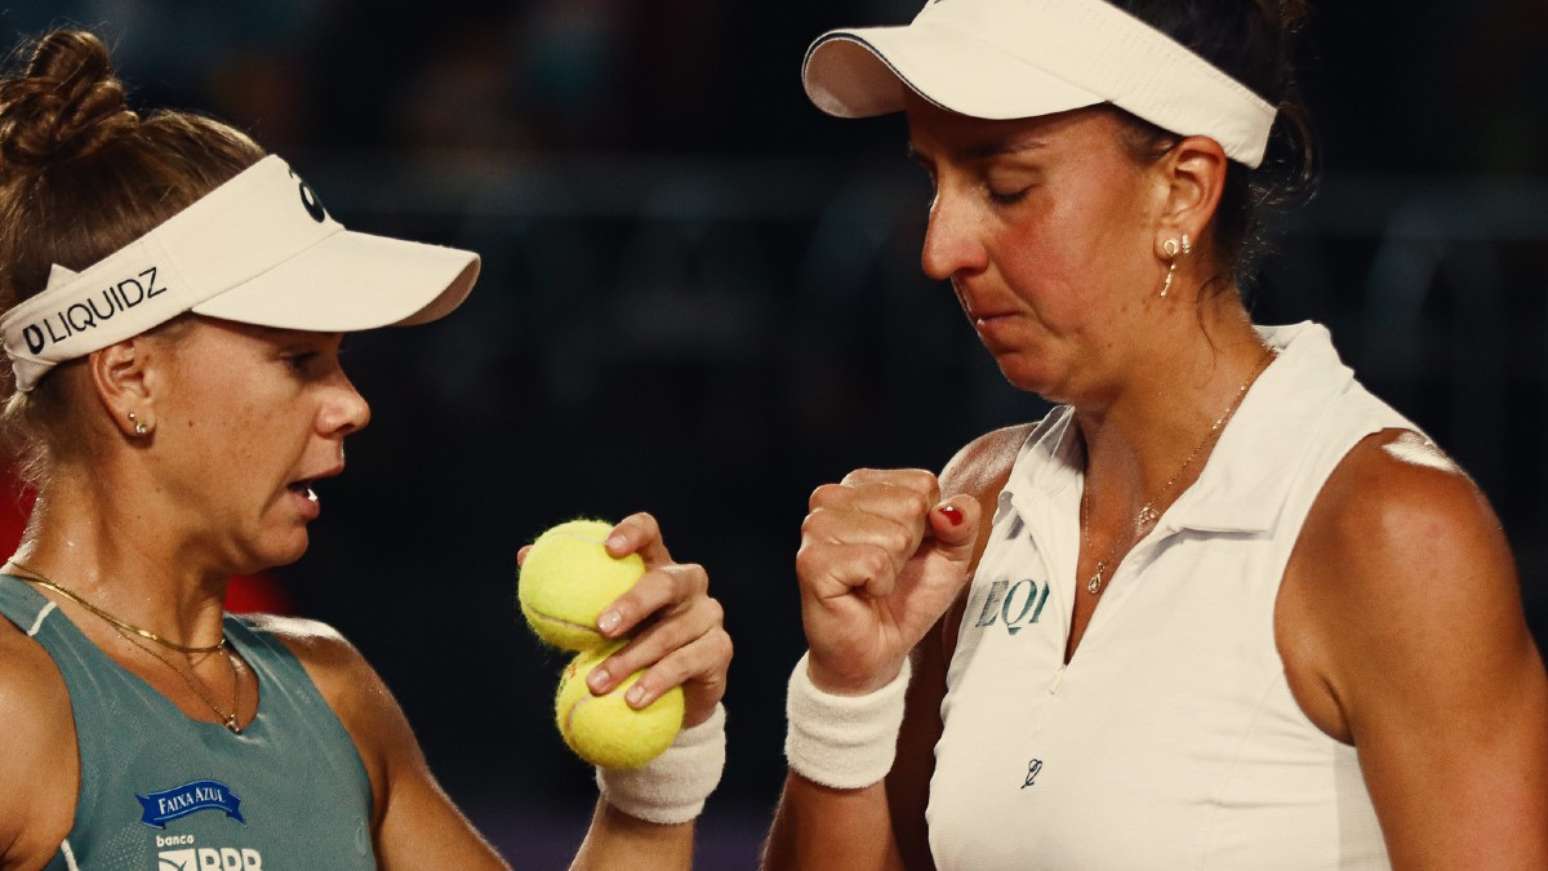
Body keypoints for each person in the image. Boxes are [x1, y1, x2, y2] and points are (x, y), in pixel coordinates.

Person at [762, 1, 1548, 869]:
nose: (939, 248)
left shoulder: (1393, 531)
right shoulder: (978, 501)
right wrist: (847, 690)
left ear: (1183, 189)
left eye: (1005, 185)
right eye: (931, 178)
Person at [0, 29, 732, 871]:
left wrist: (657, 782)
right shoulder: (14, 697)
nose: (352, 403)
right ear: (130, 378)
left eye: (340, 360)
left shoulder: (331, 689)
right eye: (298, 360)